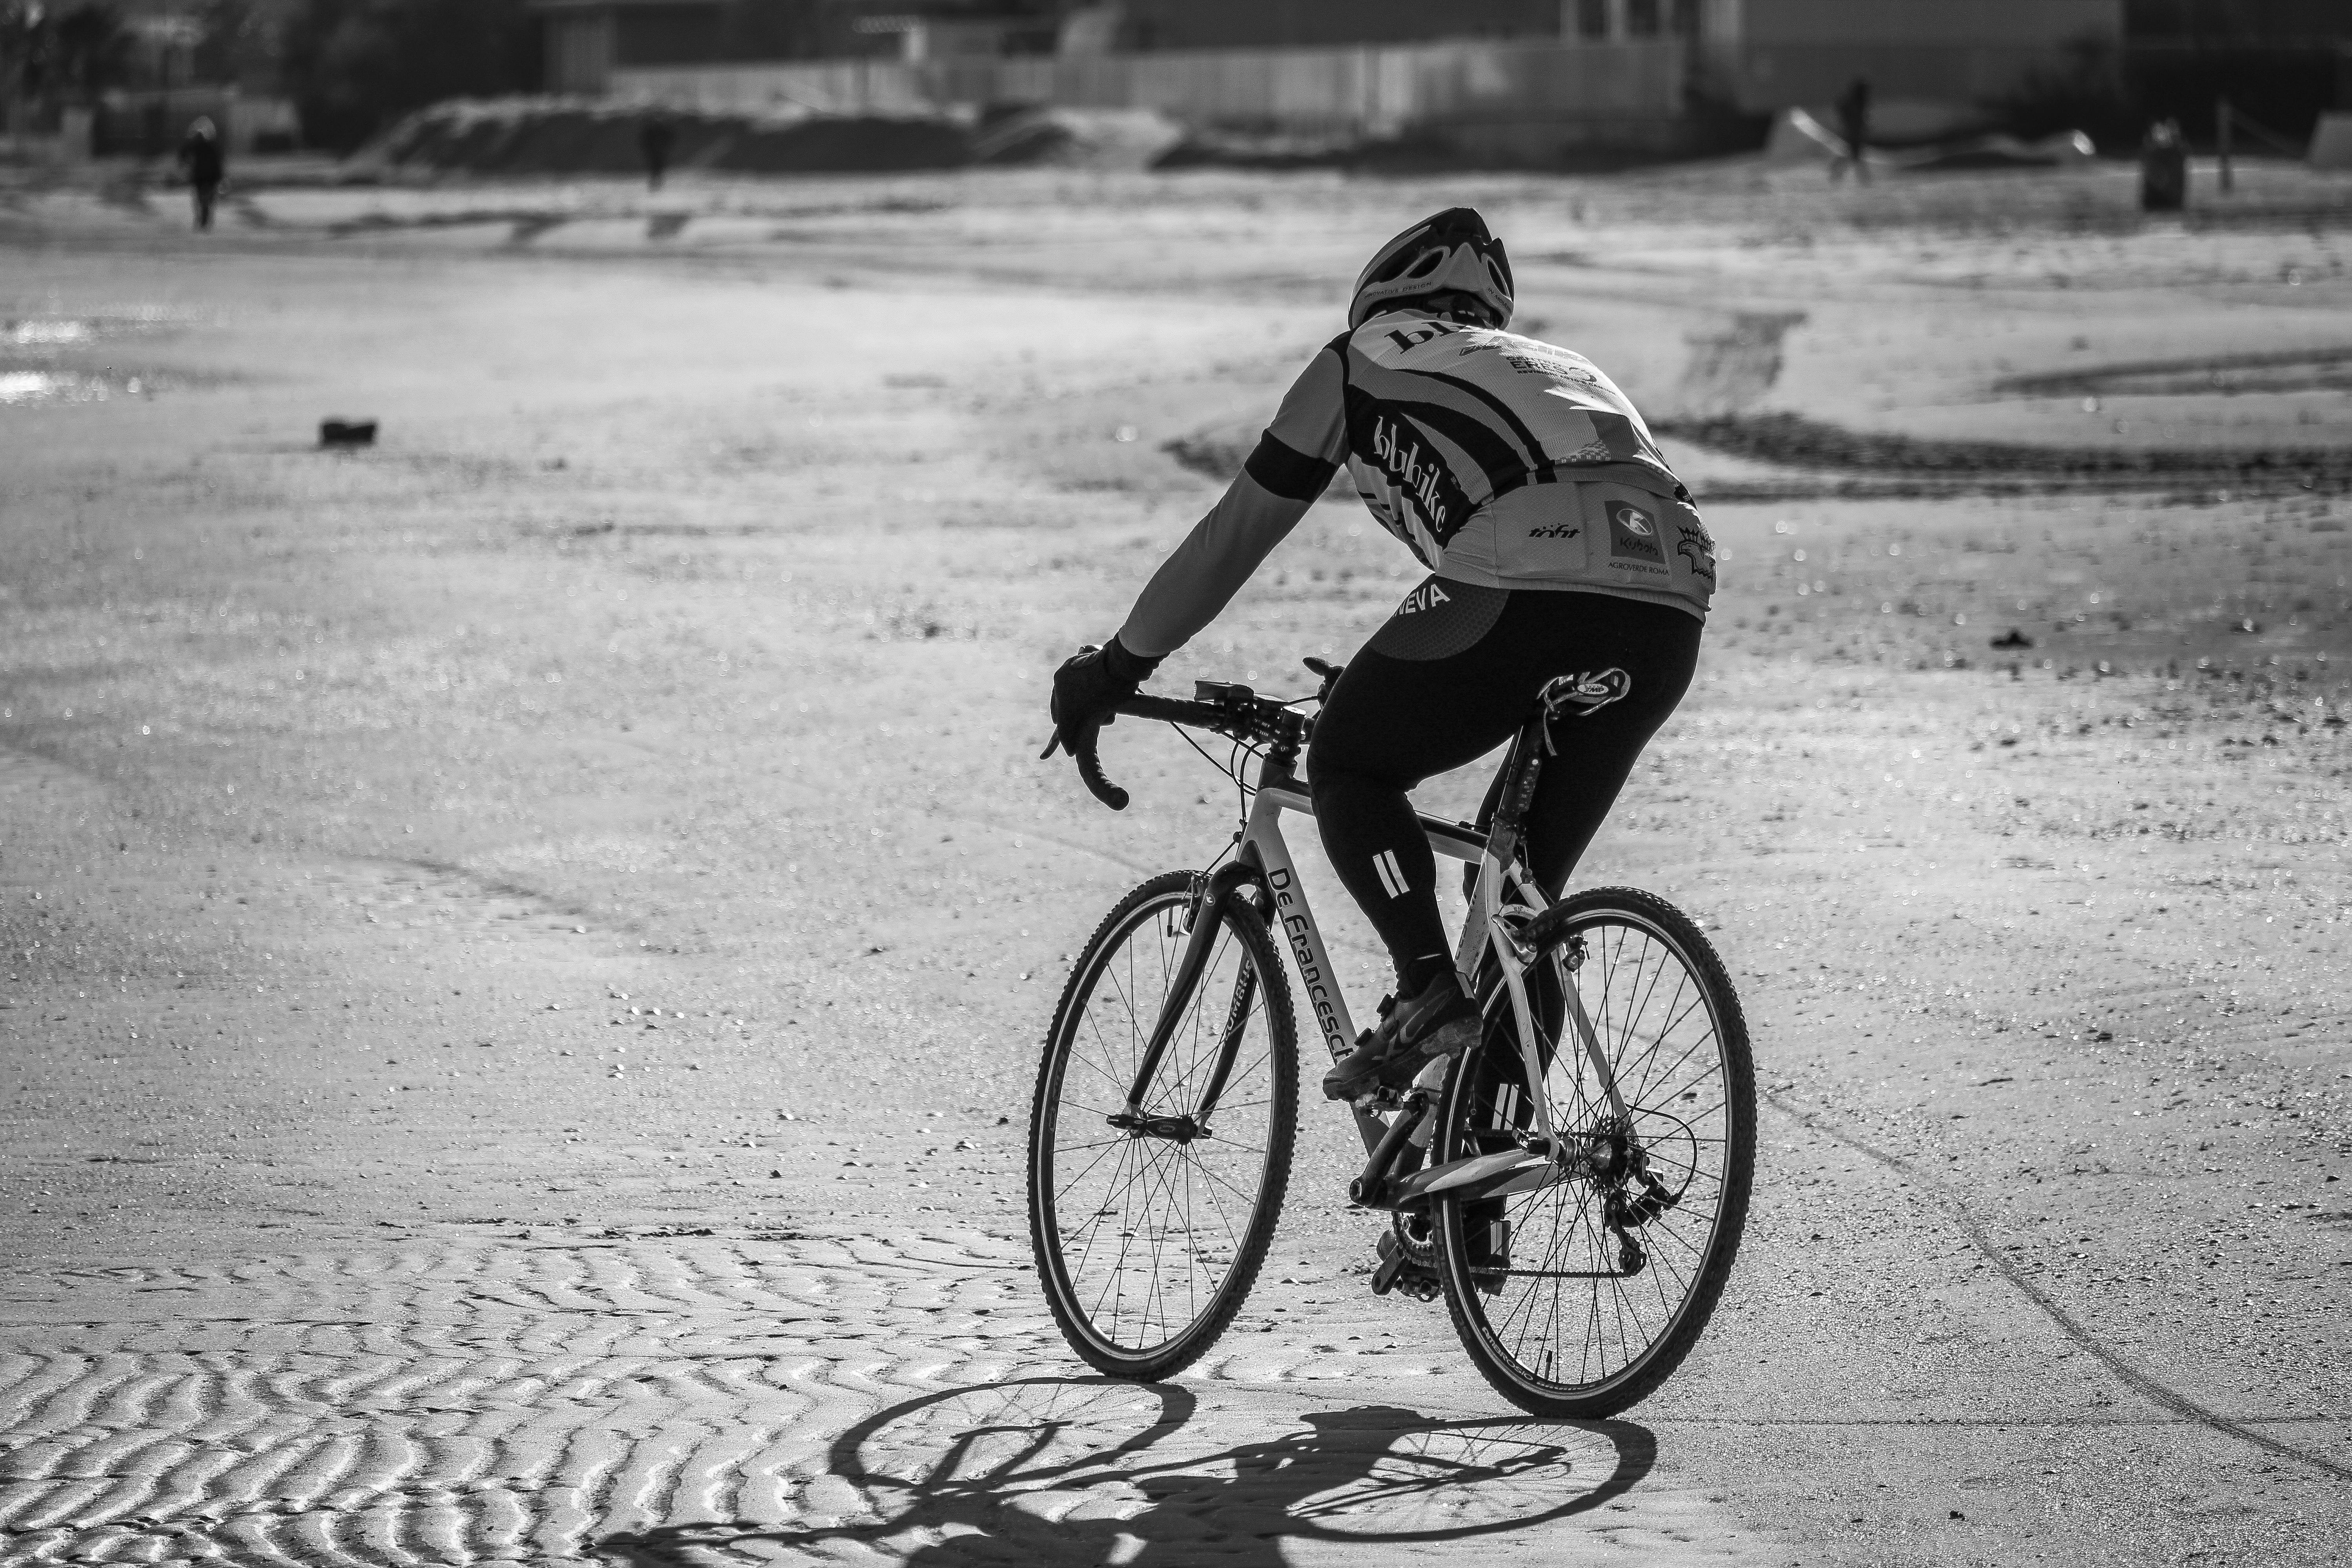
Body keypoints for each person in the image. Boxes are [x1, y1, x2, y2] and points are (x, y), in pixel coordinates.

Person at [1048, 208, 1715, 1103]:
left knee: (1351, 760)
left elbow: (1237, 532)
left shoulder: (1360, 353)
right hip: (1672, 590)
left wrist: (1118, 668)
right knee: (1516, 904)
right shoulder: (1553, 364)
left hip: (1532, 568)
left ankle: (1424, 989)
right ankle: (1472, 1192)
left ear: (1382, 291)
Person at [178, 118, 224, 230]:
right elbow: (221, 159)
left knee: (199, 197)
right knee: (210, 197)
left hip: (200, 173)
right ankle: (206, 216)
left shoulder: (195, 144)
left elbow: (183, 153)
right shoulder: (215, 144)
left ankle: (202, 217)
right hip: (212, 174)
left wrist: (185, 165)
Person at [1832, 77, 1871, 184]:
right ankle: (1864, 180)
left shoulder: (1857, 102)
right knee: (1855, 157)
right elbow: (1853, 117)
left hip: (1854, 133)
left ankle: (1838, 172)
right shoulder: (1856, 103)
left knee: (1854, 156)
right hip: (1854, 134)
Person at [639, 113, 675, 192]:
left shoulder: (656, 130)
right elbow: (645, 141)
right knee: (656, 168)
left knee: (657, 168)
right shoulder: (654, 130)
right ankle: (656, 186)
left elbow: (669, 139)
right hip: (655, 152)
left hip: (657, 152)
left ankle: (656, 186)